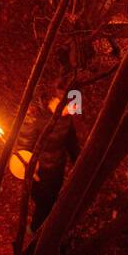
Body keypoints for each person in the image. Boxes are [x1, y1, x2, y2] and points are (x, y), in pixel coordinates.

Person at [18, 84, 81, 229]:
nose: (72, 111)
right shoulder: (35, 117)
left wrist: (79, 163)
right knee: (44, 203)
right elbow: (23, 148)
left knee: (52, 200)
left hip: (57, 168)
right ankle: (35, 230)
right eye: (70, 106)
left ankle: (43, 227)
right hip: (40, 171)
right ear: (55, 101)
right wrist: (28, 170)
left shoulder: (66, 117)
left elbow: (71, 142)